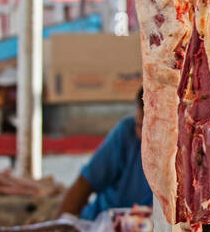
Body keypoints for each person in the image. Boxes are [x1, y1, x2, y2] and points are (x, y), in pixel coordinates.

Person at [57, 88, 153, 219]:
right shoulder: (126, 135)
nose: (144, 135)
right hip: (101, 228)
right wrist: (60, 230)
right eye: (139, 126)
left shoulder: (182, 150)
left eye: (151, 128)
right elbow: (85, 183)